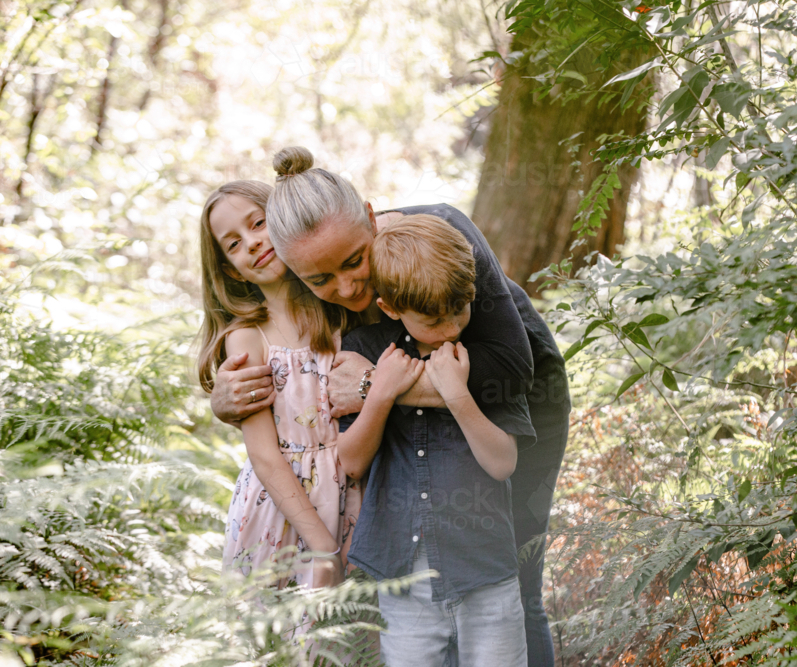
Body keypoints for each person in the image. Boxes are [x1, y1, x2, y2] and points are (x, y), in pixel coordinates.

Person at [210, 147, 572, 666]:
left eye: (356, 261)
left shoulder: (439, 232)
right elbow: (281, 358)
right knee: (424, 579)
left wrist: (376, 387)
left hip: (514, 400)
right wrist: (226, 398)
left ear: (371, 215)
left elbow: (510, 368)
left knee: (507, 577)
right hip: (408, 425)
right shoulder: (307, 264)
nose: (348, 286)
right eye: (322, 281)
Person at [334, 213, 535, 664]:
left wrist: (458, 395)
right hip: (401, 576)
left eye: (458, 312)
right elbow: (350, 462)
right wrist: (381, 392)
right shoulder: (366, 351)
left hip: (483, 566)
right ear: (389, 307)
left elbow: (503, 463)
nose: (449, 329)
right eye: (432, 319)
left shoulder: (483, 357)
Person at [196, 180, 417, 590]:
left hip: (363, 499)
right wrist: (320, 545)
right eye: (232, 244)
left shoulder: (346, 311)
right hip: (284, 514)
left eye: (258, 223)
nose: (251, 242)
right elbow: (264, 456)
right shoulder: (248, 339)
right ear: (229, 268)